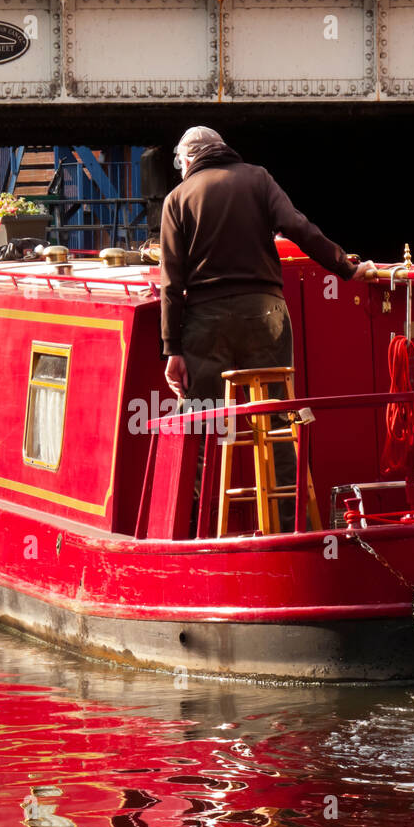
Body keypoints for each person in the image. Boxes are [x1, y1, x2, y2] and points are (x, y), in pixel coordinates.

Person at [159, 126, 376, 530]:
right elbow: (298, 227)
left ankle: (198, 533)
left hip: (204, 324)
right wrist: (345, 267)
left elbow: (172, 282)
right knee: (278, 422)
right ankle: (294, 529)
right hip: (265, 315)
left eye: (179, 163)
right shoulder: (258, 178)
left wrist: (172, 350)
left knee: (204, 427)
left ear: (188, 158)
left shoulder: (177, 200)